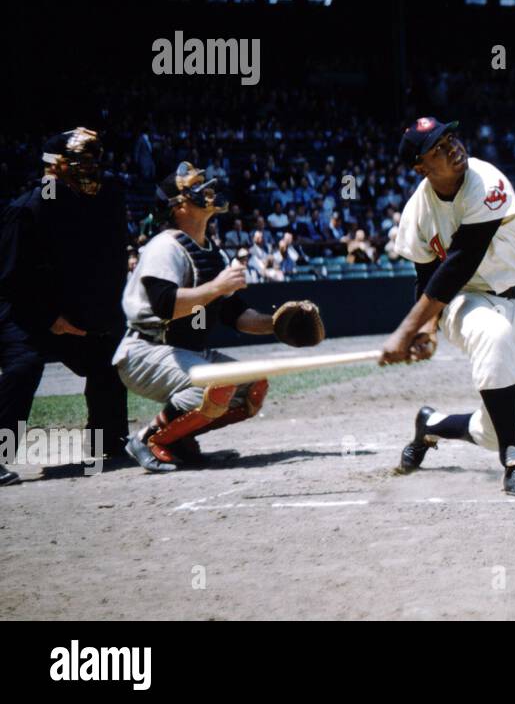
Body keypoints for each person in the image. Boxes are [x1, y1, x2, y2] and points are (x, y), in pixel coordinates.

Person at [112, 163, 323, 473]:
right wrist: (216, 287)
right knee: (217, 384)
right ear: (179, 204)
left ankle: (179, 439)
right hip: (145, 351)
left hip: (186, 351)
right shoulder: (164, 246)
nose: (207, 191)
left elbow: (235, 314)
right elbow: (165, 305)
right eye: (197, 187)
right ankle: (148, 438)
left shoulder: (212, 252)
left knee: (252, 386)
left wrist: (276, 324)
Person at [383, 117, 515, 497]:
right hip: (465, 301)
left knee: (498, 428)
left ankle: (430, 424)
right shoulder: (416, 213)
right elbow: (431, 279)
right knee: (493, 333)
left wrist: (406, 331)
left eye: (451, 137)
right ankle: (514, 459)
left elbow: (461, 261)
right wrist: (427, 329)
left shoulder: (488, 183)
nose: (452, 146)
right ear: (420, 167)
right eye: (438, 147)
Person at [0, 129, 130, 485]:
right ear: (56, 167)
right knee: (24, 366)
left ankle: (110, 439)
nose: (91, 169)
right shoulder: (27, 210)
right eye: (82, 162)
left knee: (108, 357)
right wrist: (48, 318)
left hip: (70, 315)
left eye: (94, 161)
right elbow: (10, 281)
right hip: (21, 312)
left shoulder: (95, 205)